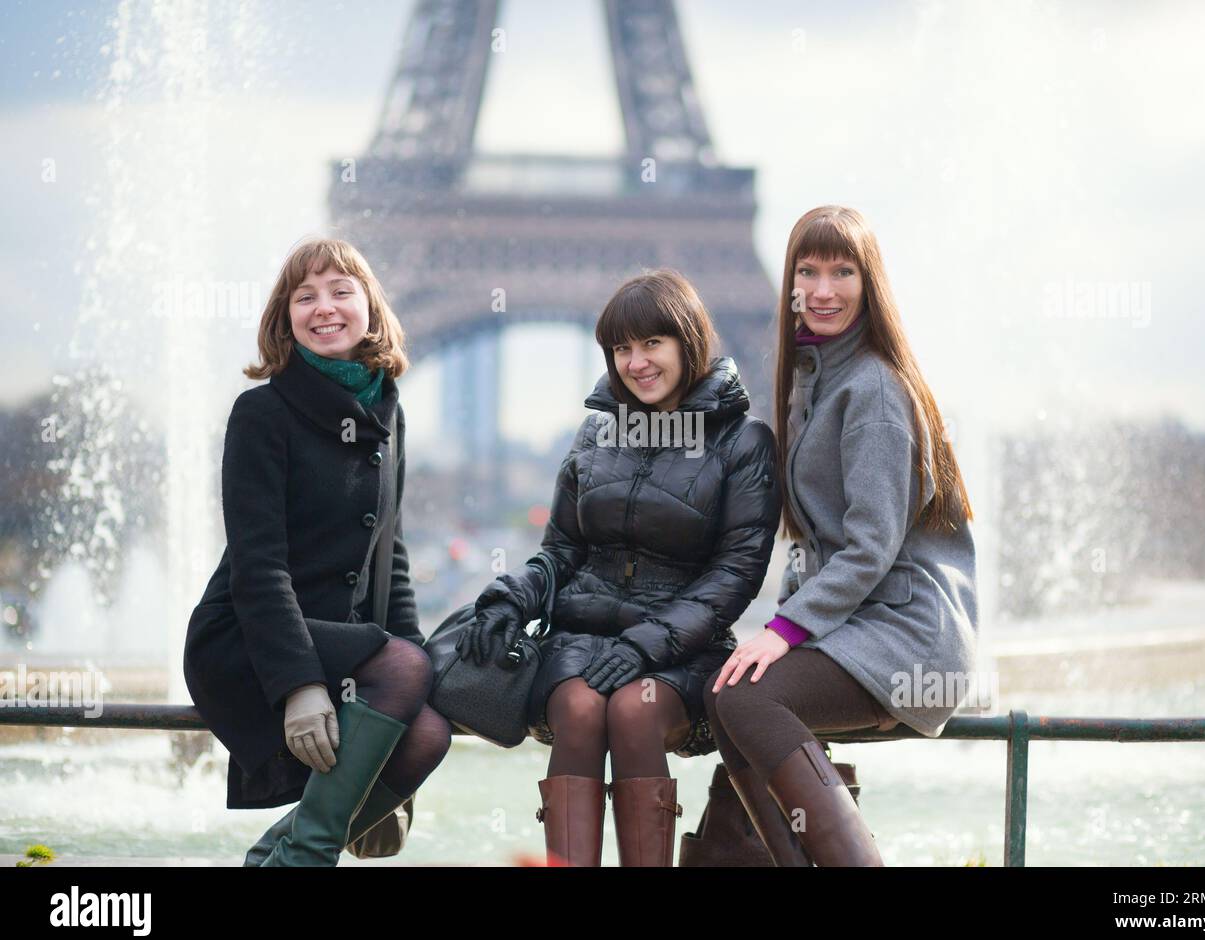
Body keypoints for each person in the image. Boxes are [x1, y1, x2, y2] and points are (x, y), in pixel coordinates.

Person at [463, 269, 780, 866]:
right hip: (580, 639)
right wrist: (510, 597)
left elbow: (736, 572)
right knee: (580, 710)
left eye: (651, 343)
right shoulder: (594, 432)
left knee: (636, 712)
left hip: (682, 647)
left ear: (689, 342)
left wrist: (645, 645)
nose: (636, 362)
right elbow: (559, 552)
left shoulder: (744, 443)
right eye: (621, 348)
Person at [705, 205, 979, 867]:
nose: (824, 289)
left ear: (869, 282)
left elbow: (870, 546)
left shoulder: (875, 389)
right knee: (727, 700)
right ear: (791, 284)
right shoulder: (817, 383)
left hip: (911, 638)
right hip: (868, 629)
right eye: (809, 271)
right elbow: (816, 548)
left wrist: (785, 631)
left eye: (842, 271)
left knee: (742, 695)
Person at [183, 237, 452, 866]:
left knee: (431, 730)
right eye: (304, 297)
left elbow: (394, 553)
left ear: (371, 308)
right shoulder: (262, 414)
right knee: (407, 672)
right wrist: (300, 685)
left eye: (340, 291)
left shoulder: (387, 409)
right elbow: (258, 566)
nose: (323, 307)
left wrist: (412, 670)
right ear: (286, 319)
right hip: (253, 639)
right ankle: (305, 860)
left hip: (346, 645)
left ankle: (277, 859)